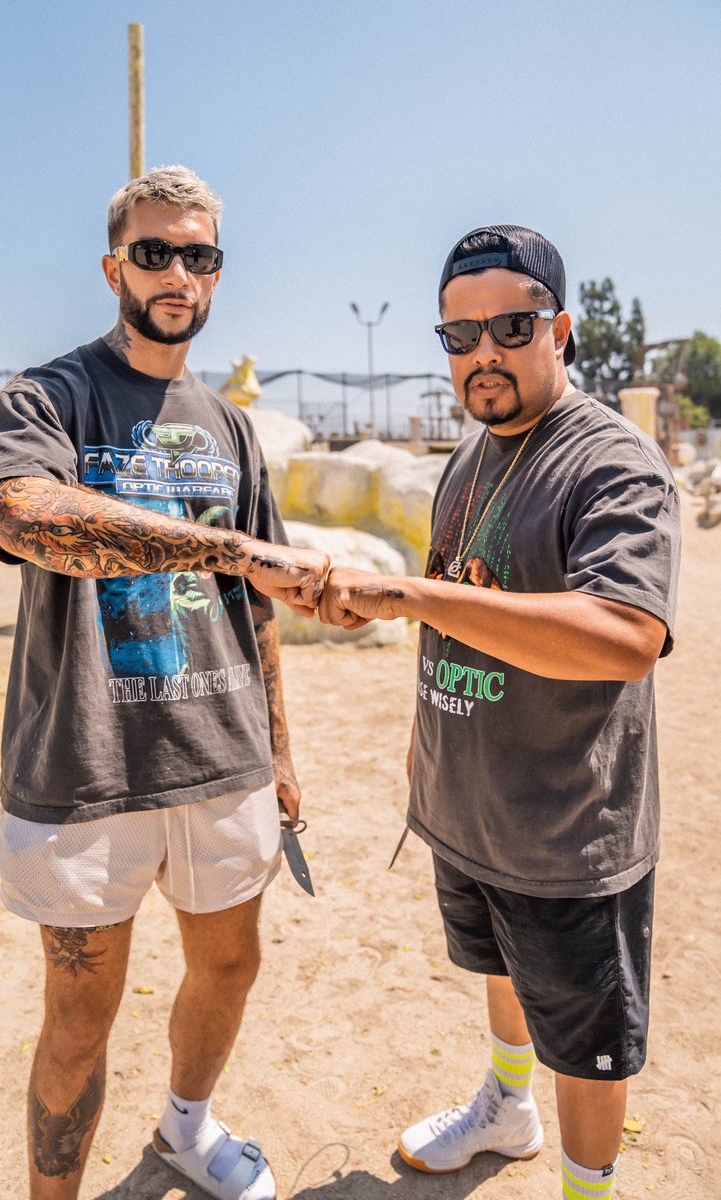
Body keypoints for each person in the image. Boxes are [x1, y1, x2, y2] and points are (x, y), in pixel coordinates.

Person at [0, 165, 329, 1200]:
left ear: (217, 272)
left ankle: (186, 1129)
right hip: (87, 763)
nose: (178, 272)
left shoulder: (232, 427)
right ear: (113, 268)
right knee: (78, 1019)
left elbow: (256, 604)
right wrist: (222, 545)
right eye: (154, 252)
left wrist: (281, 750)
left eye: (199, 255)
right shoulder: (44, 398)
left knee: (230, 965)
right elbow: (28, 517)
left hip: (222, 757)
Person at [319, 225, 680, 1199]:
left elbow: (626, 635)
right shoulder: (469, 457)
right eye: (459, 335)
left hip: (568, 831)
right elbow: (455, 617)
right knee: (500, 968)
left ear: (558, 330)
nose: (483, 352)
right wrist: (424, 746)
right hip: (469, 807)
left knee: (588, 1045)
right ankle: (506, 1109)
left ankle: (585, 1189)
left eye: (511, 327)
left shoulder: (612, 461)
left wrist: (410, 597)